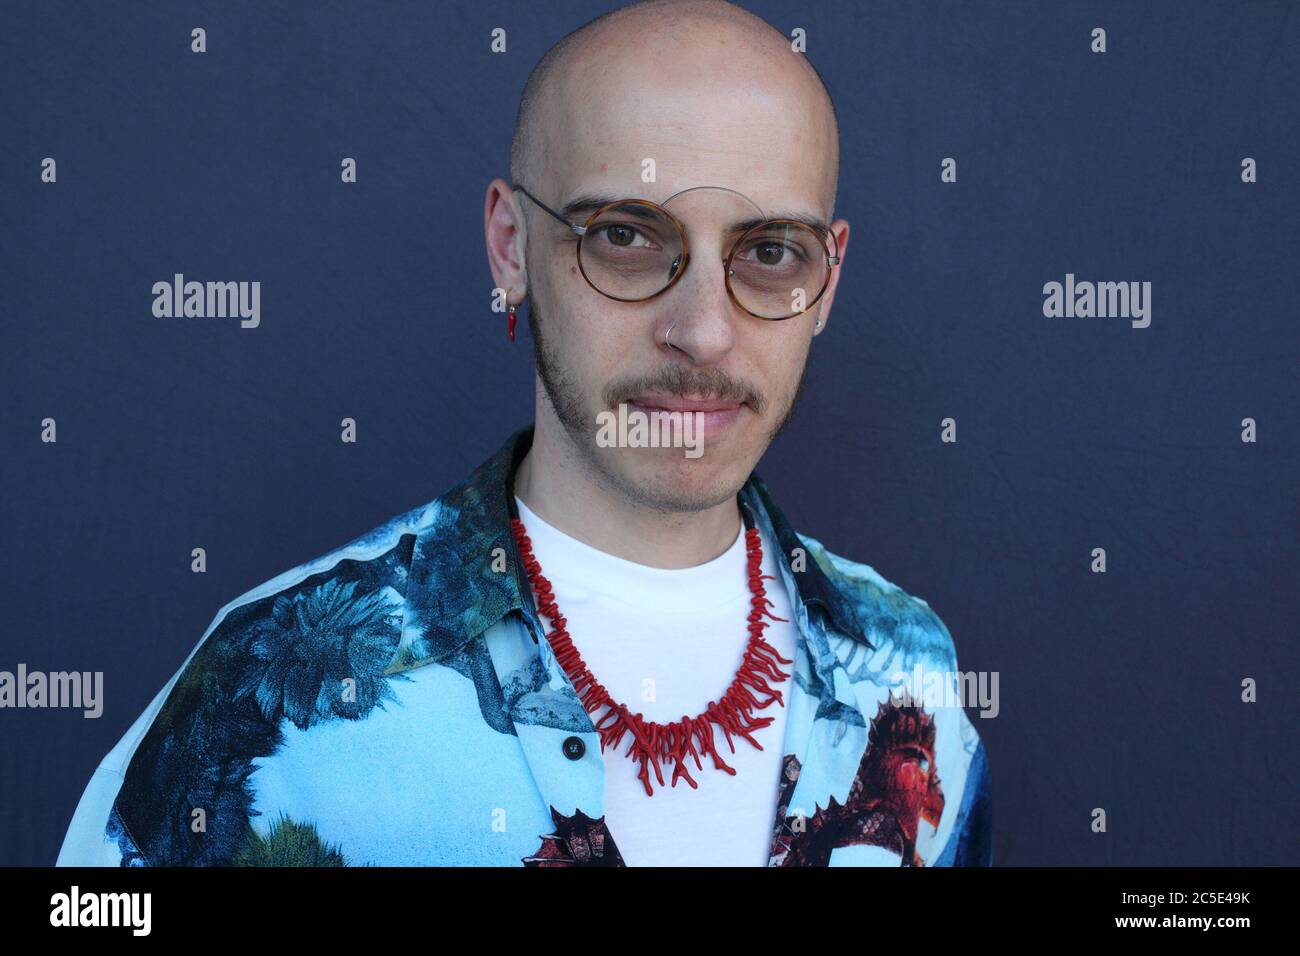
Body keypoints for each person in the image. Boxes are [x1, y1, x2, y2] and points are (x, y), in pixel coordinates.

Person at [57, 0, 991, 867]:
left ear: (826, 280)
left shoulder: (910, 667)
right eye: (626, 236)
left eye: (770, 252)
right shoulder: (266, 697)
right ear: (510, 247)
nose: (705, 331)